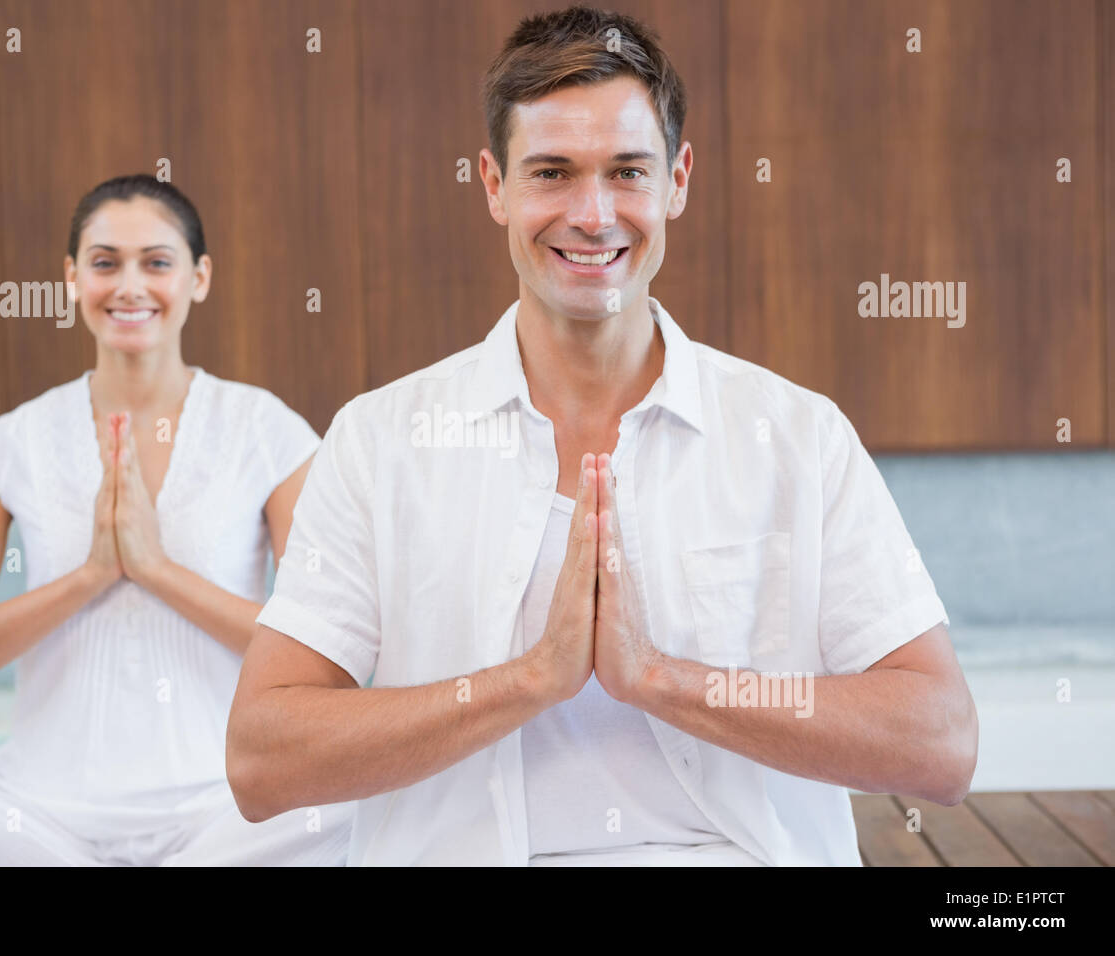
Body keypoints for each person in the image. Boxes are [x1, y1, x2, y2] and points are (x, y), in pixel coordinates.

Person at [226, 6, 978, 866]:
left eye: (627, 171)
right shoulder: (378, 442)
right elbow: (261, 758)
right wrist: (527, 682)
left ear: (679, 180)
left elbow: (942, 744)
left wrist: (657, 679)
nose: (592, 215)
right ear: (492, 185)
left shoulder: (796, 435)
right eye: (551, 172)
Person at [0, 175, 351, 866]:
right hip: (38, 819)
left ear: (199, 278)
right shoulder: (12, 444)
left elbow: (328, 660)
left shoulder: (267, 433)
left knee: (367, 806)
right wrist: (91, 577)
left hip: (227, 813)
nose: (129, 285)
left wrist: (157, 571)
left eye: (157, 262)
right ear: (72, 279)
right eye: (105, 263)